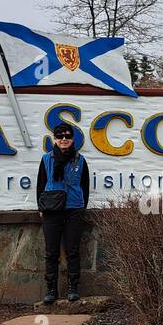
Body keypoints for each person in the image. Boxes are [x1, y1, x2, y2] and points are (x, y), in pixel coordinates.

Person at [37, 123, 90, 304]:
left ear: (73, 139)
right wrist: (41, 208)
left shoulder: (80, 160)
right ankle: (51, 289)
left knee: (72, 251)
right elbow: (41, 184)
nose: (64, 139)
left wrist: (82, 207)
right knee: (51, 252)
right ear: (55, 139)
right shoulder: (46, 159)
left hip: (74, 209)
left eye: (67, 136)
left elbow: (85, 185)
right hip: (52, 209)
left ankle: (72, 288)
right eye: (60, 136)